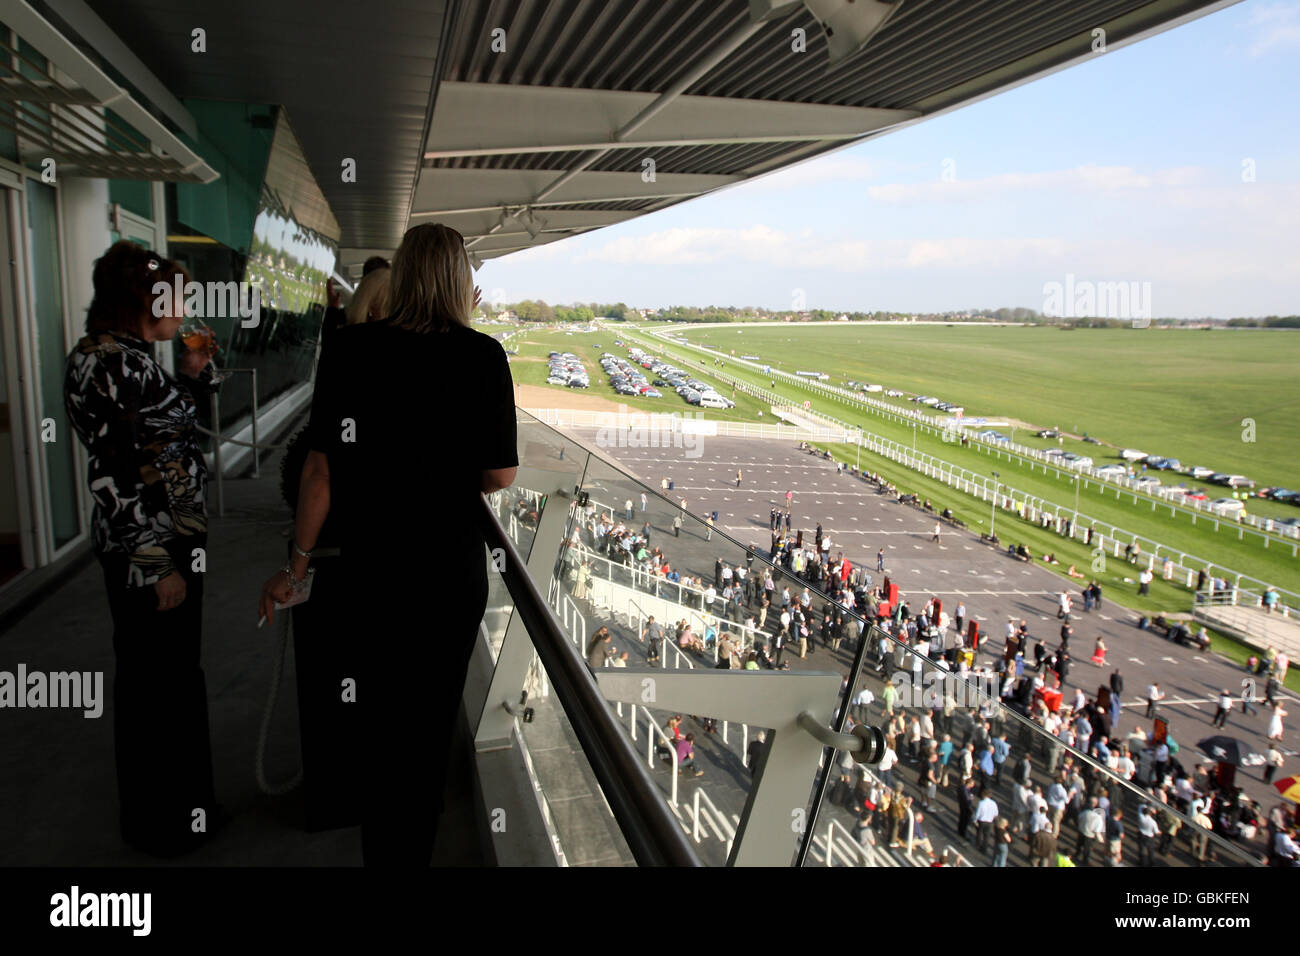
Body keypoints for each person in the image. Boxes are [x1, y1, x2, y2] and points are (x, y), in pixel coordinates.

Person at [258, 223, 517, 866]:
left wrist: (295, 567)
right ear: (462, 283)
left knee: (379, 734)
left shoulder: (350, 350)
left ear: (400, 276)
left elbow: (318, 474)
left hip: (374, 577)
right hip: (447, 577)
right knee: (427, 737)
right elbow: (499, 474)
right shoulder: (483, 356)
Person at [64, 241, 221, 857]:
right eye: (176, 295)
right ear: (143, 299)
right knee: (159, 687)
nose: (184, 306)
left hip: (166, 541)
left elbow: (177, 421)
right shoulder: (108, 363)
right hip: (150, 552)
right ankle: (165, 825)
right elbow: (115, 475)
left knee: (171, 681)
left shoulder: (132, 356)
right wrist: (156, 566)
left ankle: (184, 813)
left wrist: (195, 369)